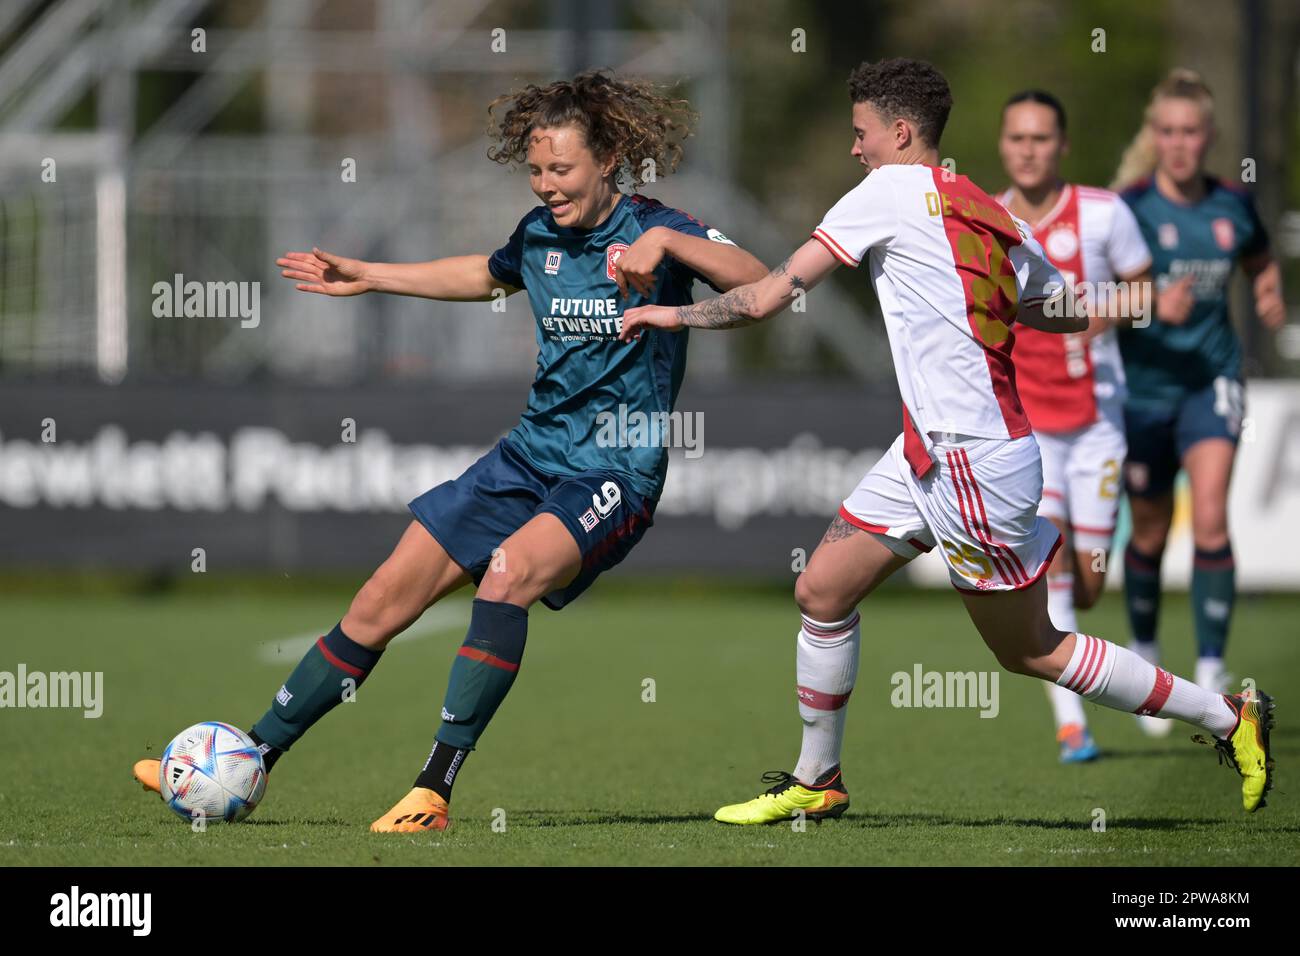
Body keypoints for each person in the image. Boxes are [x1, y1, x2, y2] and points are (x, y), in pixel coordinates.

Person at [620, 58, 1275, 821]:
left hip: (969, 458)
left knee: (1031, 650)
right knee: (822, 589)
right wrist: (1128, 303)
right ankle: (817, 779)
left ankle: (1230, 717)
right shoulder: (989, 211)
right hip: (934, 451)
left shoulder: (885, 193)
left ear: (900, 132)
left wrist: (665, 315)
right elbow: (1052, 309)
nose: (855, 148)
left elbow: (767, 296)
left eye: (862, 133)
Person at [132, 70, 768, 831]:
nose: (545, 186)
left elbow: (767, 285)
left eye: (560, 170)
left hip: (614, 469)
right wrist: (368, 277)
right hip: (527, 456)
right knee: (380, 599)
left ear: (605, 161)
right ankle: (250, 758)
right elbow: (484, 274)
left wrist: (667, 249)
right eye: (535, 171)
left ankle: (433, 788)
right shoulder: (539, 236)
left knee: (506, 578)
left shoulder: (656, 226)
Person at [1110, 69, 1285, 735]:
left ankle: (1211, 671)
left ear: (1208, 137)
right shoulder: (1127, 210)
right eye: (1168, 131)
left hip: (1212, 384)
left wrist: (1268, 292)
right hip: (1144, 392)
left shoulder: (1232, 206)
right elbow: (1090, 306)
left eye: (1191, 131)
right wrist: (1149, 303)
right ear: (1154, 137)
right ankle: (1148, 659)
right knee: (1150, 532)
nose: (1180, 143)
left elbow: (1261, 259)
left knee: (1209, 516)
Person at [996, 89, 1154, 761]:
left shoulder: (1103, 213)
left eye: (1041, 139)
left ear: (1061, 145)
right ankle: (1072, 724)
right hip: (1028, 429)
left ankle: (1092, 664)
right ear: (1003, 145)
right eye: (1017, 138)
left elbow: (1146, 288)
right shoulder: (988, 219)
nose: (1028, 150)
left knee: (1088, 579)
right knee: (1049, 565)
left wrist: (1096, 311)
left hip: (1096, 427)